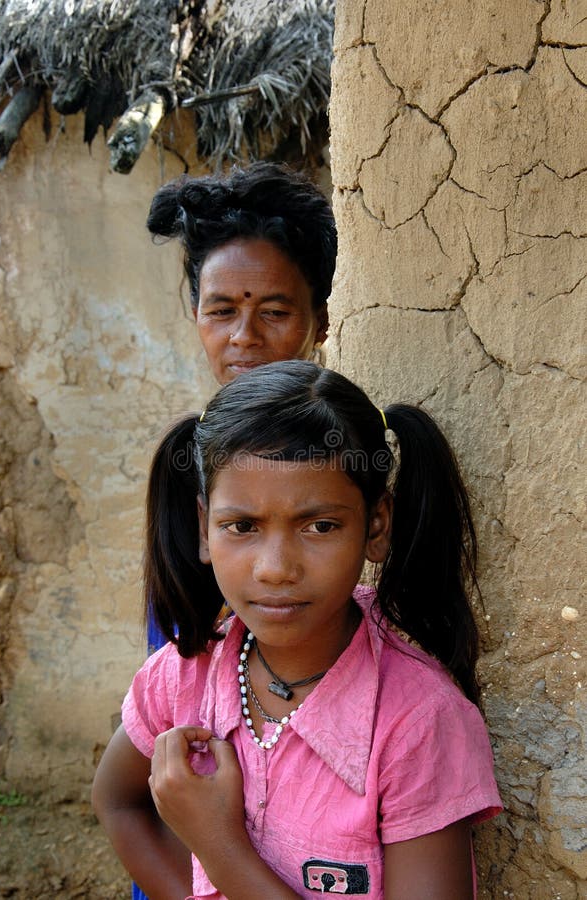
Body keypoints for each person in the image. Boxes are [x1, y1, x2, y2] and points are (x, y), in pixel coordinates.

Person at [92, 360, 502, 900]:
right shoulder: (185, 673)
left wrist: (219, 847)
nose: (276, 567)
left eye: (320, 526)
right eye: (241, 527)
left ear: (376, 527)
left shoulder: (417, 722)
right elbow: (118, 803)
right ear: (202, 528)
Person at [144, 161, 336, 655]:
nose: (244, 336)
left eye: (274, 312)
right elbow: (168, 658)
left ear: (321, 320)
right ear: (196, 316)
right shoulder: (187, 457)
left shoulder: (346, 450)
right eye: (222, 311)